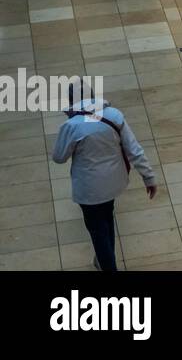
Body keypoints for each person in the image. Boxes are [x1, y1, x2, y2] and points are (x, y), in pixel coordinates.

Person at [52, 87, 159, 272]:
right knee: (107, 218)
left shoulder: (72, 125)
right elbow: (134, 149)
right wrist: (148, 177)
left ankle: (108, 265)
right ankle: (104, 260)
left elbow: (59, 157)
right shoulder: (114, 115)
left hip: (89, 188)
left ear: (71, 100)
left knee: (97, 230)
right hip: (113, 182)